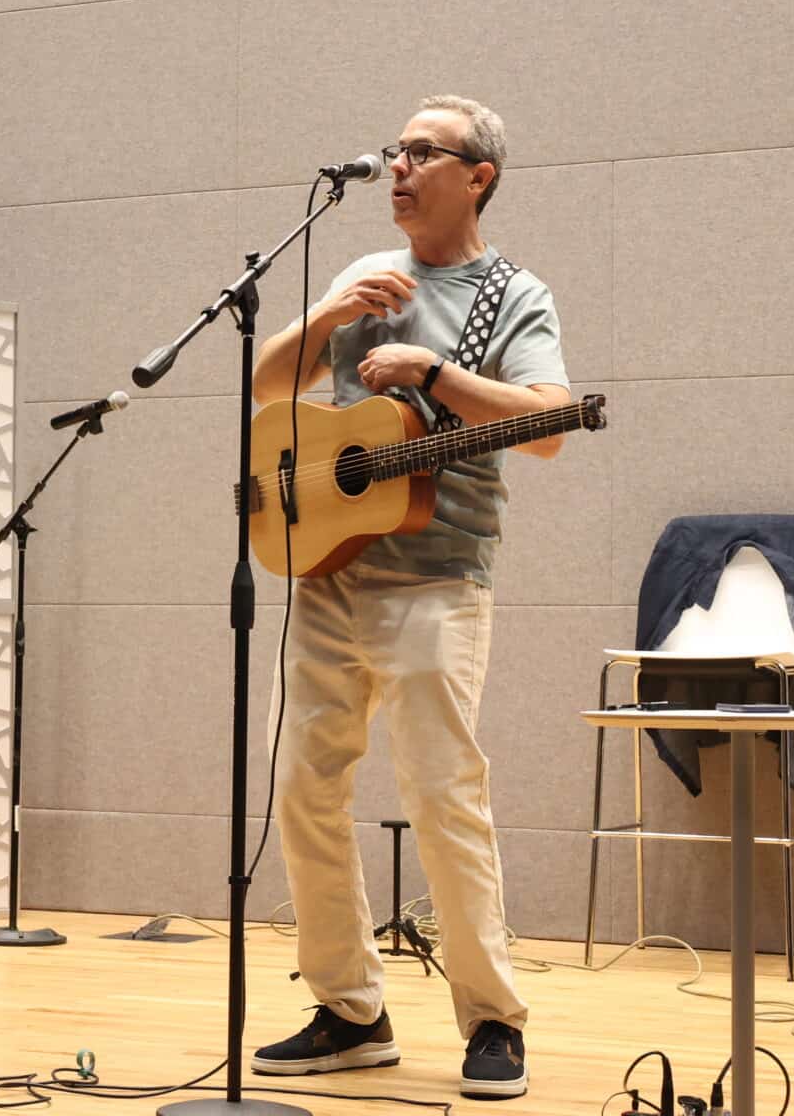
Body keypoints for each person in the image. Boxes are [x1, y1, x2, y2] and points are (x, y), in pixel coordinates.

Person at [248, 96, 571, 1100]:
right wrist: (335, 314)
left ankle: (492, 1017)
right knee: (303, 788)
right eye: (395, 149)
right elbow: (267, 387)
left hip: (439, 573)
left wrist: (436, 369)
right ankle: (351, 1010)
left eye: (422, 152)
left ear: (477, 175)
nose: (397, 165)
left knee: (442, 795)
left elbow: (554, 420)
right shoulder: (361, 276)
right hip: (330, 570)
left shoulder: (514, 292)